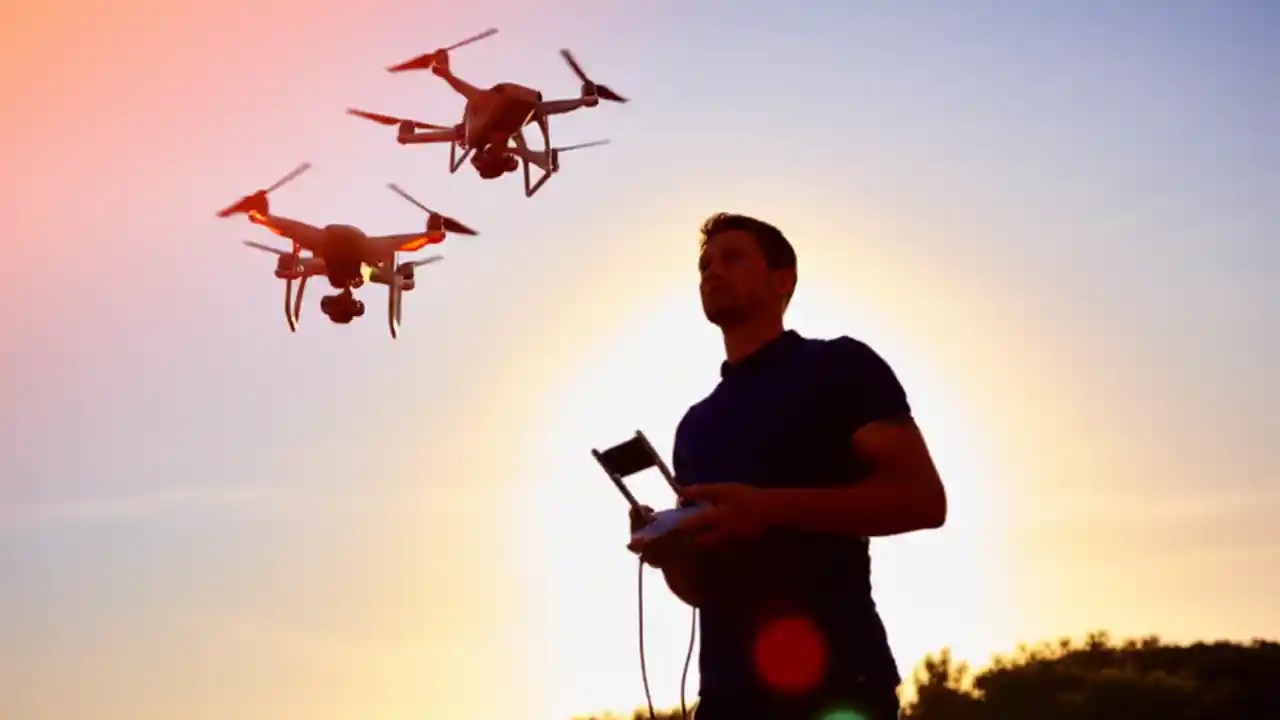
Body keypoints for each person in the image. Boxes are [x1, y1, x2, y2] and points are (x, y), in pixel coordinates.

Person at [627, 212, 947, 720]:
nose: (711, 272)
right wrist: (669, 552)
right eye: (705, 264)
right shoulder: (696, 425)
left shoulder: (839, 367)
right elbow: (702, 590)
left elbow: (923, 501)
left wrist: (765, 508)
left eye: (732, 258)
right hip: (729, 699)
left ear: (784, 280)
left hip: (839, 684)